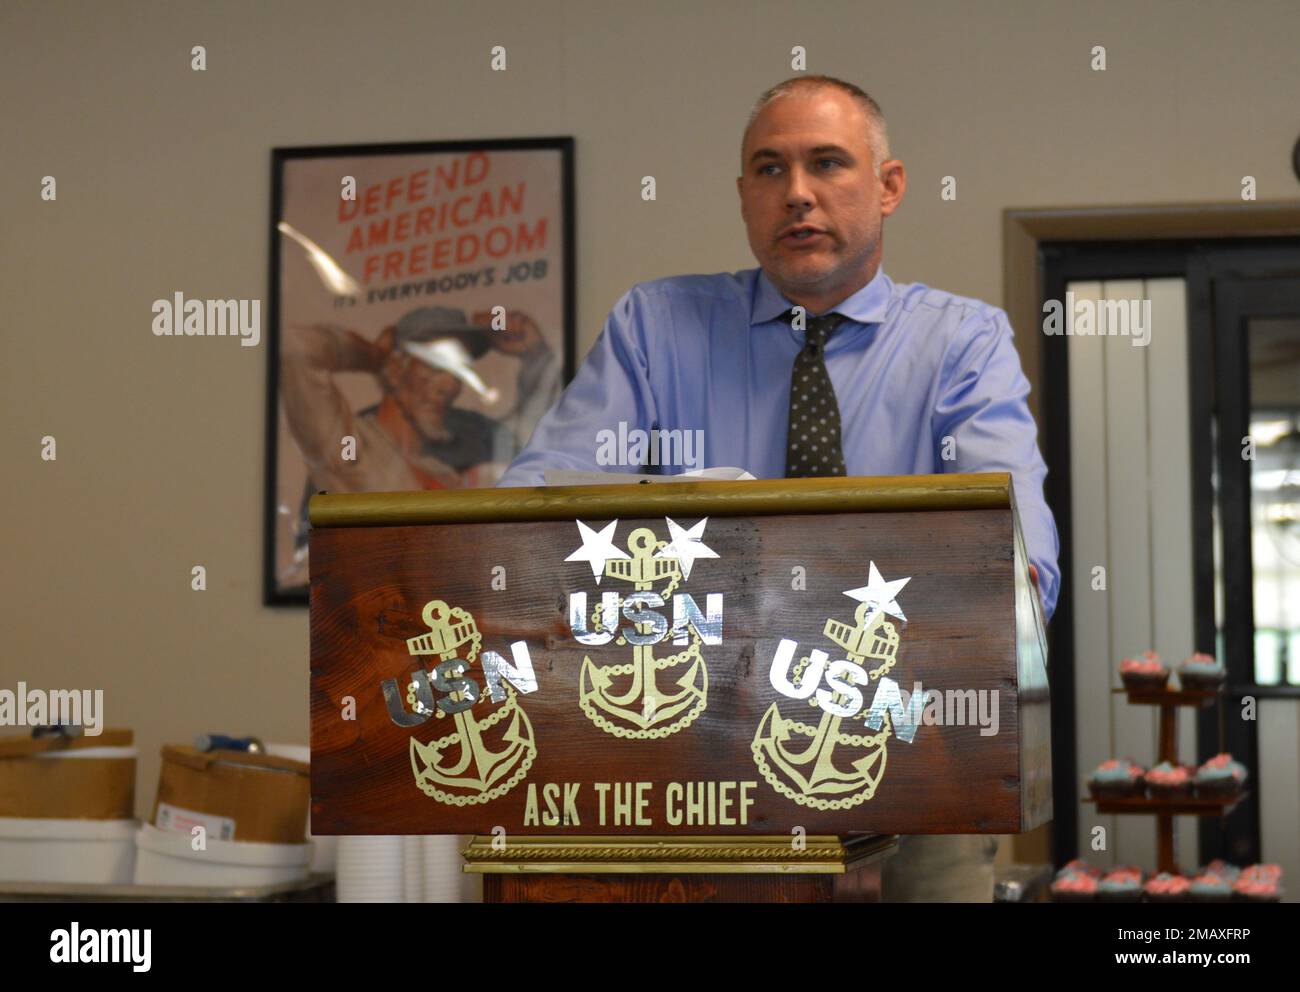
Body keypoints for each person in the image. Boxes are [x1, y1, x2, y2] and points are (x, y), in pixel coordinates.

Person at [497, 75, 1060, 900]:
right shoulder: (656, 330)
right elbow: (531, 513)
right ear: (742, 195)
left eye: (827, 163)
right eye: (769, 170)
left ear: (889, 185)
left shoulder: (962, 343)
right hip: (699, 774)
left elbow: (1020, 570)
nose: (796, 194)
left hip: (917, 761)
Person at [278, 305, 556, 585]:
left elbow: (531, 448)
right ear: (397, 368)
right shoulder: (350, 448)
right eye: (436, 364)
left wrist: (535, 355)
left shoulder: (444, 471)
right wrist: (374, 356)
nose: (449, 385)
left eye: (459, 371)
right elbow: (296, 347)